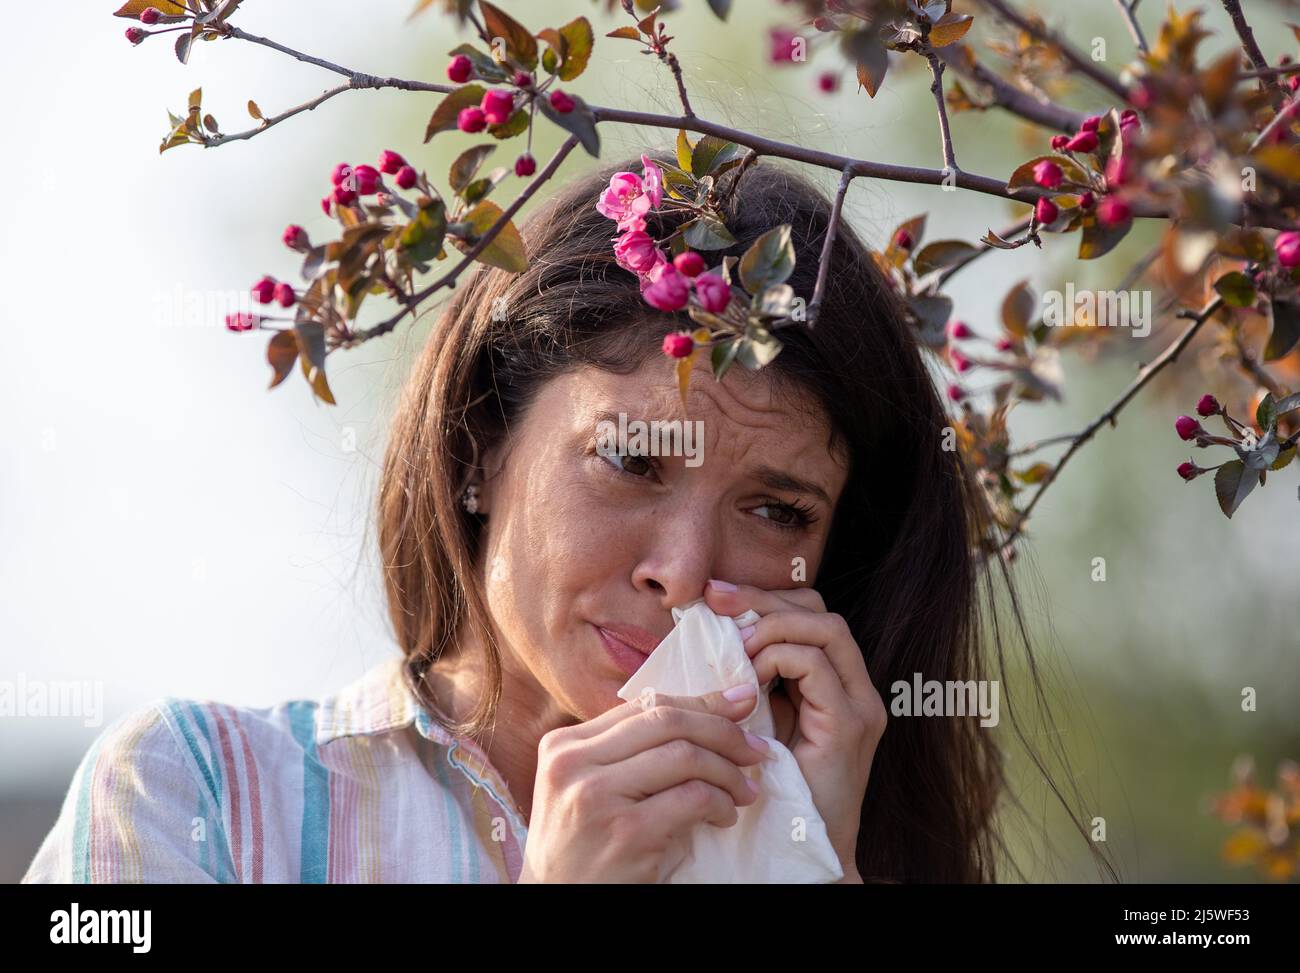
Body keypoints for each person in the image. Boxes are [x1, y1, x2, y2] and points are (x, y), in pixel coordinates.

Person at [23, 152, 1096, 883]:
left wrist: (797, 852)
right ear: (482, 445)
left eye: (775, 508)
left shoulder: (841, 828)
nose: (682, 570)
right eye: (630, 462)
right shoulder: (193, 792)